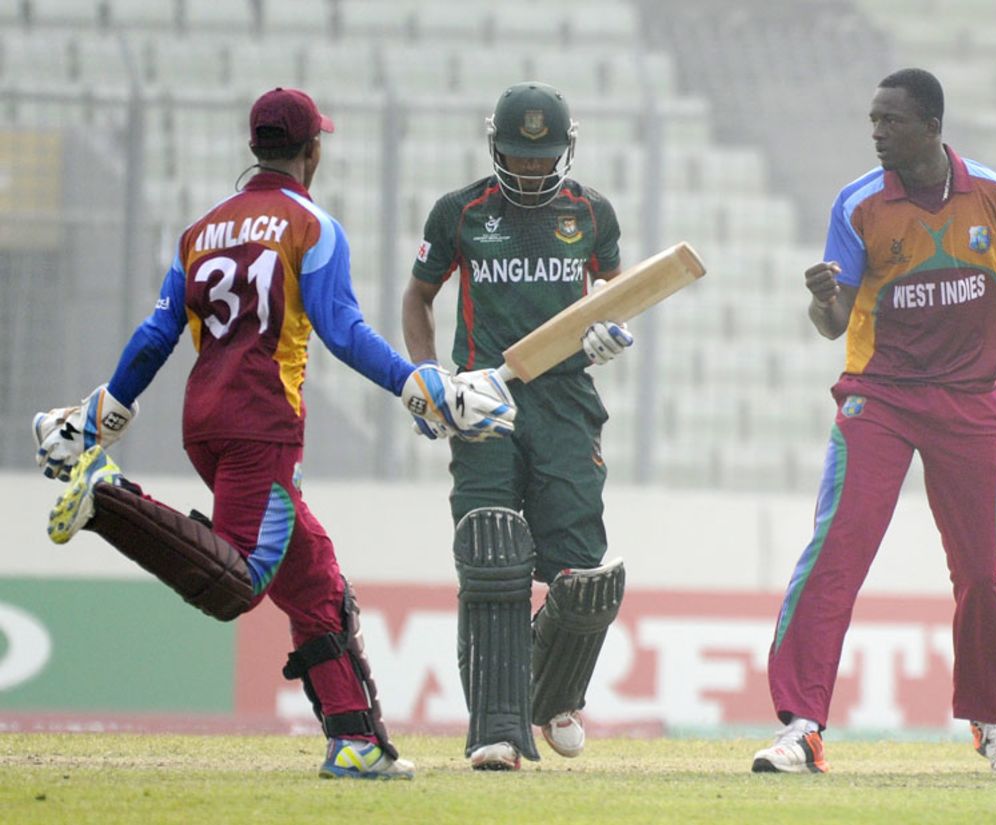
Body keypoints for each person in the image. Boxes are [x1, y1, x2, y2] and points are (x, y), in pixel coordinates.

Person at [32, 87, 515, 781]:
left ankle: (355, 741)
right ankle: (108, 500)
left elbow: (156, 334)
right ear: (312, 150)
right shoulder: (311, 226)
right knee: (238, 582)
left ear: (254, 146)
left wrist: (103, 409)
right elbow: (342, 329)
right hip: (263, 423)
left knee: (316, 581)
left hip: (205, 422)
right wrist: (420, 383)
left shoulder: (200, 231)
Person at [751, 68, 996, 776]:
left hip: (967, 401)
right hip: (879, 398)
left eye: (890, 120)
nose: (877, 132)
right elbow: (834, 324)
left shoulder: (994, 192)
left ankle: (993, 724)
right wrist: (821, 301)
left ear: (930, 125)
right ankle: (801, 727)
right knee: (837, 552)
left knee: (983, 573)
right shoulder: (858, 203)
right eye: (872, 119)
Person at [402, 80, 632, 771]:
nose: (531, 168)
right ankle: (494, 727)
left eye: (543, 157)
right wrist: (427, 376)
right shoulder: (459, 212)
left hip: (564, 396)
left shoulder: (593, 214)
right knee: (491, 555)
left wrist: (609, 333)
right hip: (483, 396)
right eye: (518, 156)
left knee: (581, 568)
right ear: (495, 148)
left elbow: (619, 298)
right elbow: (418, 297)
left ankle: (553, 693)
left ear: (566, 150)